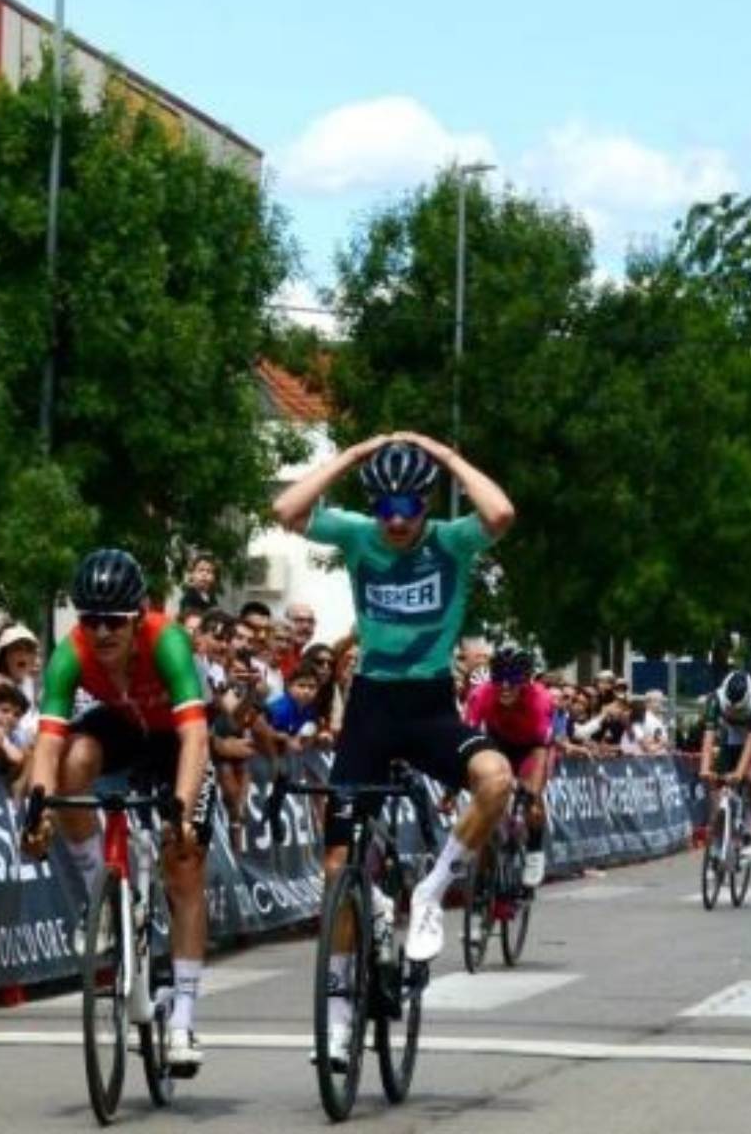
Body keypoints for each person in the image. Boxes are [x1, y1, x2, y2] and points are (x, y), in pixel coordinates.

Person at [271, 432, 516, 1061]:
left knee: (496, 780)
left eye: (410, 507)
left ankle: (432, 890)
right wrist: (354, 456)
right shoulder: (357, 535)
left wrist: (448, 457)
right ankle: (341, 1019)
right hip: (371, 710)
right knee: (337, 872)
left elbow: (500, 514)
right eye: (385, 509)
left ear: (428, 505)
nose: (399, 522)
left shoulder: (451, 541)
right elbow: (287, 511)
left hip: (432, 706)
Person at [21, 549, 215, 1075]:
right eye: (90, 619)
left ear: (137, 617)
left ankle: (183, 1021)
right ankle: (98, 894)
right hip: (125, 727)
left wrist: (182, 811)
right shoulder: (71, 652)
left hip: (177, 738)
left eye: (114, 621)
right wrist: (37, 805)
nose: (101, 632)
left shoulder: (167, 641)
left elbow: (195, 734)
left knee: (184, 861)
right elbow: (47, 742)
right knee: (76, 761)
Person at [460, 646, 555, 887]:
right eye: (499, 678)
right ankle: (485, 875)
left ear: (525, 681)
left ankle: (534, 851)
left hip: (533, 748)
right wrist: (452, 788)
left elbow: (541, 749)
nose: (505, 686)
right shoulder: (481, 695)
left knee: (532, 800)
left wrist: (533, 790)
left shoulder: (540, 699)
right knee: (489, 798)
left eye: (513, 680)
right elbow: (465, 741)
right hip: (498, 743)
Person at [698, 671, 751, 859]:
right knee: (715, 785)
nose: (735, 711)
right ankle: (717, 834)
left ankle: (749, 828)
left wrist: (739, 772)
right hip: (730, 742)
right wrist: (705, 768)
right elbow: (709, 736)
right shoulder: (715, 699)